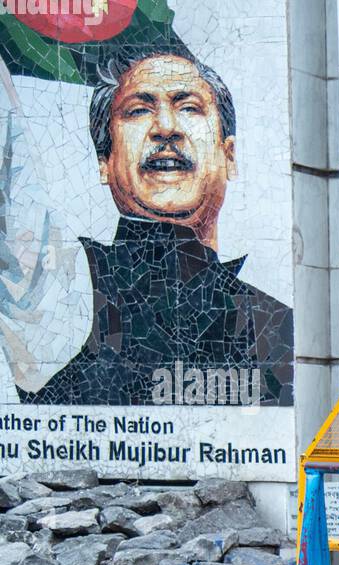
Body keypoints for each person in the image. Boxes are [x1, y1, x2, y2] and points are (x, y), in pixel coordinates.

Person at [16, 47, 292, 406]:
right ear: (105, 161)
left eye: (189, 107)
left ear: (229, 156)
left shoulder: (277, 326)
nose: (165, 128)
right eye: (139, 110)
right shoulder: (66, 287)